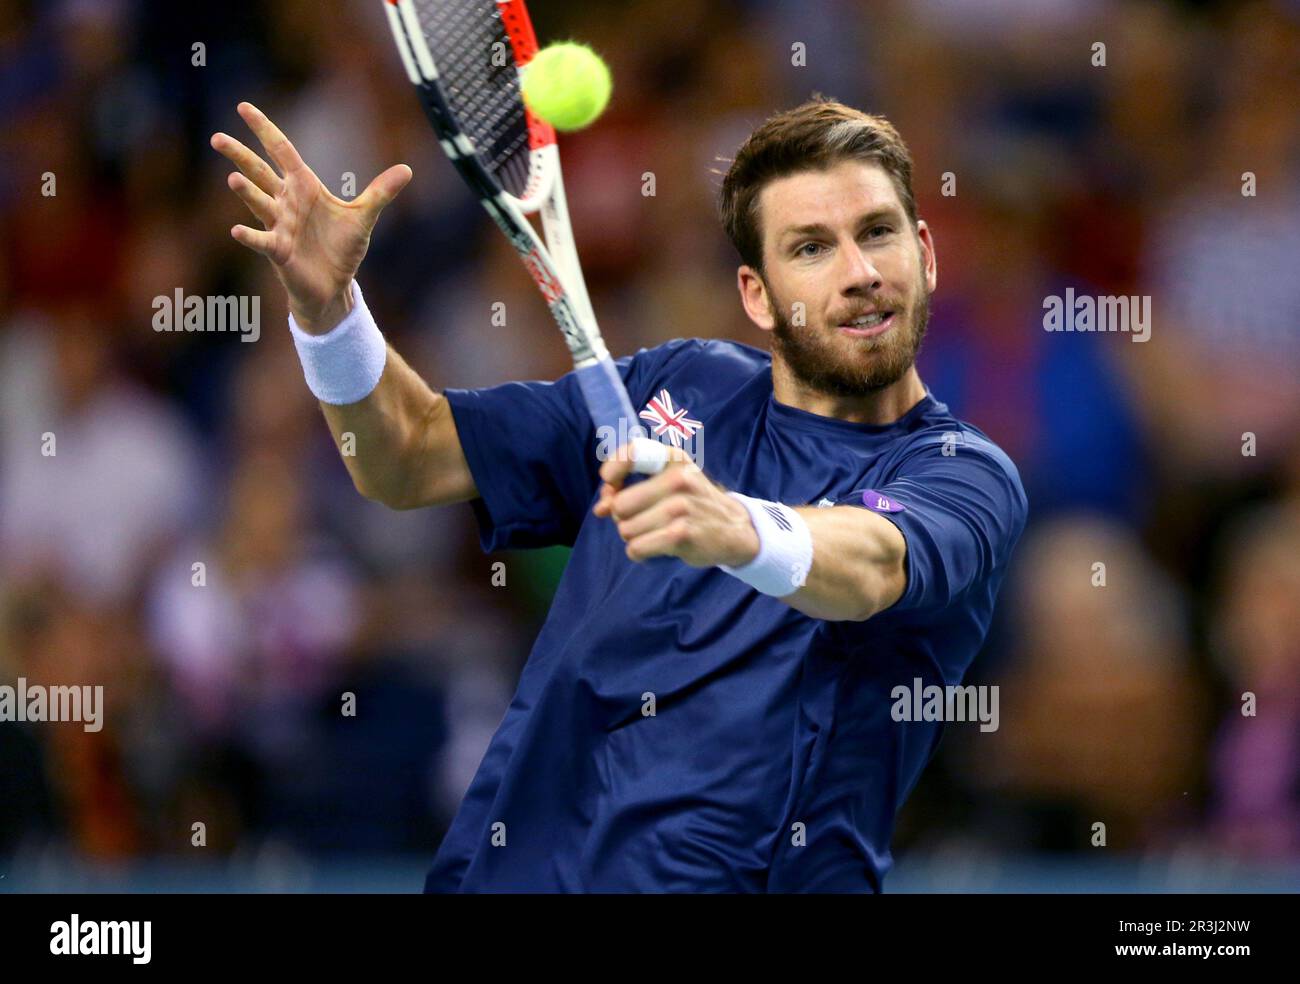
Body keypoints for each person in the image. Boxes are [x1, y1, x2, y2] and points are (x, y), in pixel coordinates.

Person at [211, 96, 1027, 892]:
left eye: (877, 234)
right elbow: (407, 457)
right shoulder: (679, 385)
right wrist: (330, 314)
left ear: (924, 252)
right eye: (811, 248)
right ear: (757, 295)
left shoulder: (962, 471)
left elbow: (876, 563)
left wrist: (735, 525)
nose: (858, 274)